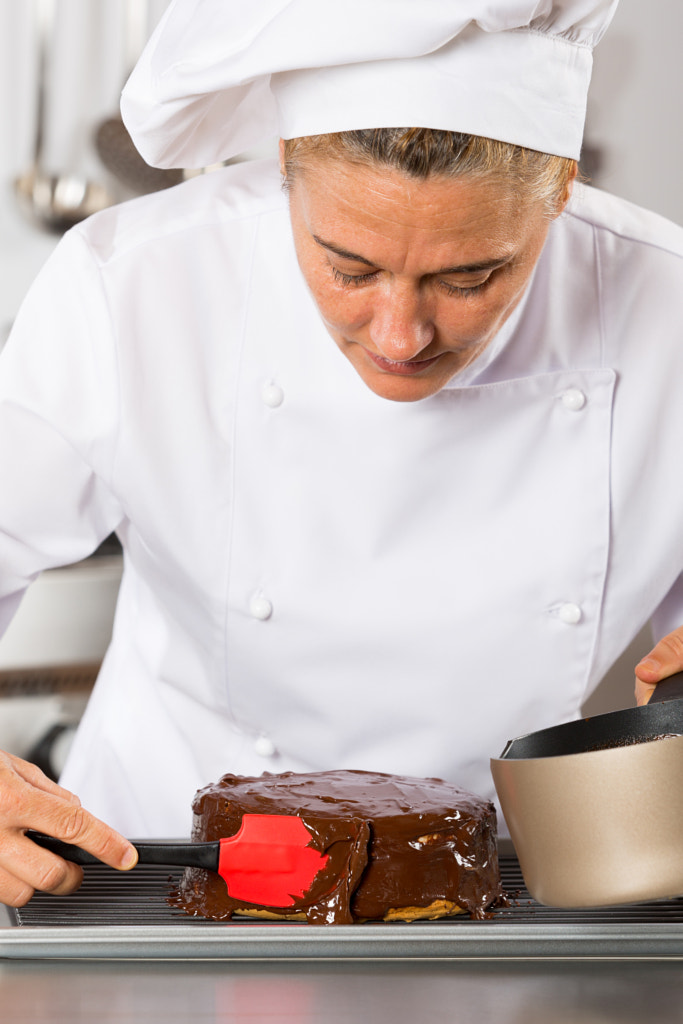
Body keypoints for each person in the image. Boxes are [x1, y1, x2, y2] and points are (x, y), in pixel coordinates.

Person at [1, 0, 683, 908]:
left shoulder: (666, 309)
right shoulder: (132, 283)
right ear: (284, 168)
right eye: (348, 266)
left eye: (469, 276)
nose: (399, 335)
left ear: (560, 188)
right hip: (156, 871)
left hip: (508, 886)